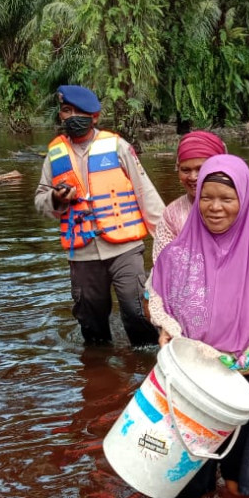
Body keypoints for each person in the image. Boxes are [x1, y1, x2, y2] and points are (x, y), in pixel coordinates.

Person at [146, 154, 249, 498]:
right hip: (189, 379)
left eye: (226, 199)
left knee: (247, 486)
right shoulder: (176, 254)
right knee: (180, 489)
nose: (215, 208)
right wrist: (165, 330)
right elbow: (153, 298)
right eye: (207, 197)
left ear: (244, 201)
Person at [35, 85, 165, 346]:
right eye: (66, 111)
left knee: (136, 310)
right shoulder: (54, 155)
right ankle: (100, 371)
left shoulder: (117, 147)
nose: (72, 117)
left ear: (94, 116)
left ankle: (149, 363)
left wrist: (167, 243)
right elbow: (40, 200)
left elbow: (145, 192)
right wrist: (56, 199)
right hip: (82, 254)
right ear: (60, 116)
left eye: (79, 112)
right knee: (91, 322)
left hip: (125, 248)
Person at [152, 130, 228, 260]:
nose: (193, 177)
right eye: (185, 170)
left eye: (201, 169)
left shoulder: (241, 208)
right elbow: (161, 263)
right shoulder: (172, 215)